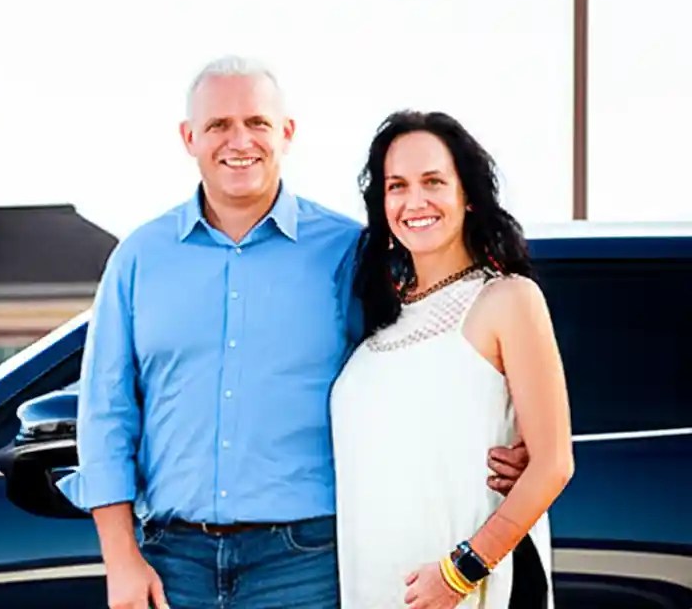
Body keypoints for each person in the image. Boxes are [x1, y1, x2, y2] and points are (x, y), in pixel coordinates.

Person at [56, 56, 530, 609]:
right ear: (189, 138)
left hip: (306, 562)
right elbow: (107, 411)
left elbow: (418, 365)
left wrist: (501, 434)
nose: (240, 141)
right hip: (169, 562)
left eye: (257, 123)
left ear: (287, 132)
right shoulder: (139, 259)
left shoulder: (350, 254)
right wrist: (120, 558)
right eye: (218, 126)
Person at [330, 110, 574, 608]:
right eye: (396, 185)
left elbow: (552, 464)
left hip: (472, 585)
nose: (413, 201)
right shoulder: (382, 318)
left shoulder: (507, 298)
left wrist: (461, 572)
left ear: (467, 195)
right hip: (379, 589)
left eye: (433, 181)